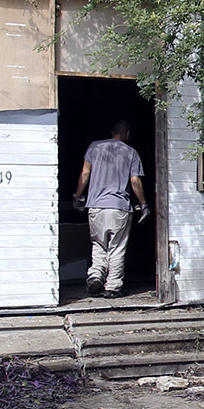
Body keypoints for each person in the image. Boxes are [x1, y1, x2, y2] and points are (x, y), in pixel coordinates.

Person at [75, 120, 146, 297]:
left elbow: (85, 173)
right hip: (119, 207)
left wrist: (78, 196)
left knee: (98, 243)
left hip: (96, 206)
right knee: (117, 247)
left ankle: (95, 276)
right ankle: (112, 287)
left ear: (112, 131)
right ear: (127, 134)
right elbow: (135, 181)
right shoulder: (131, 153)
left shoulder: (94, 147)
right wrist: (143, 204)